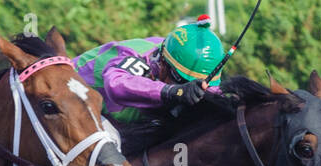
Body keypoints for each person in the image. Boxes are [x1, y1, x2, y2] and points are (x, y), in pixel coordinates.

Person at [72, 15, 225, 126]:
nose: (188, 88)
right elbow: (116, 84)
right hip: (72, 102)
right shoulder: (137, 55)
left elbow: (213, 94)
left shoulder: (177, 58)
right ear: (163, 63)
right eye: (181, 81)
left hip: (116, 118)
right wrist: (174, 91)